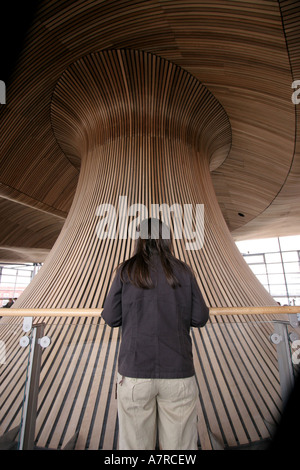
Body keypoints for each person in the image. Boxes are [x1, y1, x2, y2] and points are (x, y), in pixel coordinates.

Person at [102, 218, 209, 450]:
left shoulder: (127, 270)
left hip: (135, 371)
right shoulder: (183, 270)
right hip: (178, 372)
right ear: (167, 238)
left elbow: (111, 318)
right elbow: (200, 318)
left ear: (140, 239)